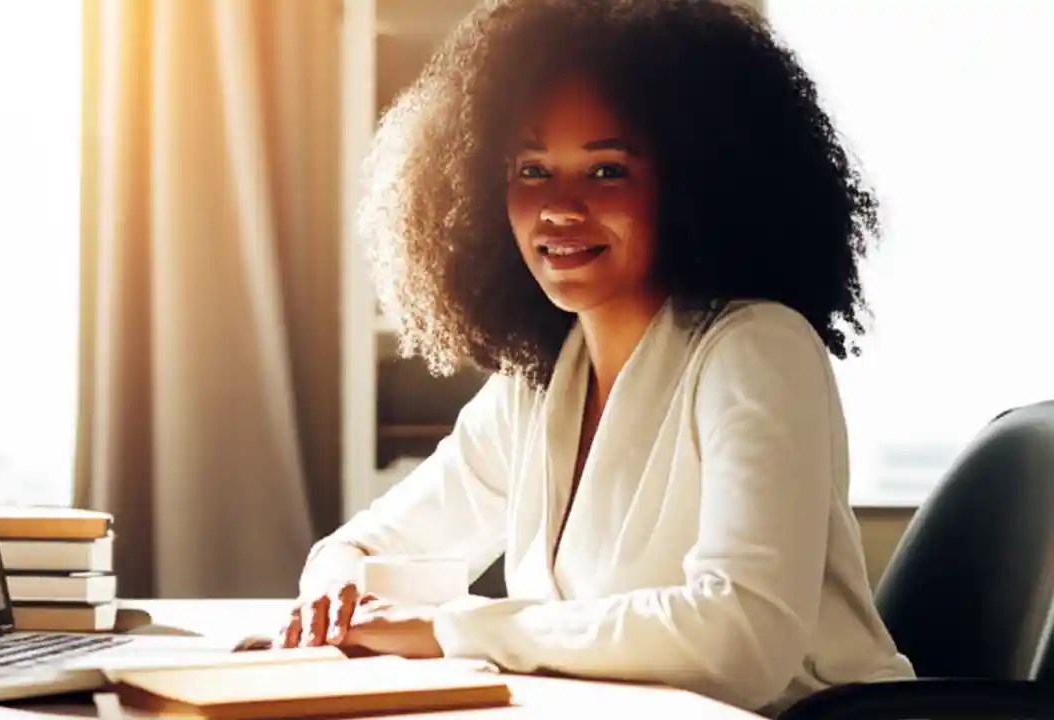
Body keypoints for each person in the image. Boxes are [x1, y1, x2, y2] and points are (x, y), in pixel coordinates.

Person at [281, 0, 914, 714]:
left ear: (697, 183)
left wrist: (451, 630)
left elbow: (742, 638)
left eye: (607, 171)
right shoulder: (540, 380)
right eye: (531, 169)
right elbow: (366, 547)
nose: (559, 207)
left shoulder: (756, 350)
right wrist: (336, 590)